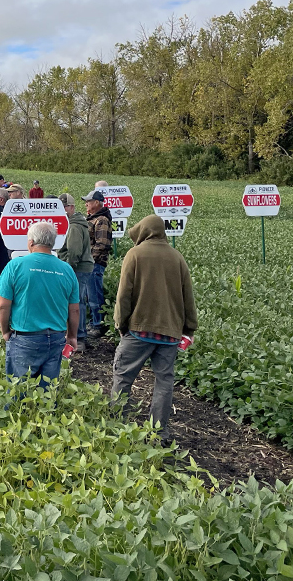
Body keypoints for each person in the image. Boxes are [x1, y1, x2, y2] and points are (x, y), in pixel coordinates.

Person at [112, 215, 198, 440]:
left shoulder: (135, 254)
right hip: (169, 334)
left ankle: (117, 425)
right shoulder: (177, 257)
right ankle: (159, 431)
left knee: (123, 376)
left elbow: (124, 295)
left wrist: (121, 324)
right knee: (164, 381)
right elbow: (188, 297)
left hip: (139, 330)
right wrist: (189, 329)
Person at [0, 221, 79, 392]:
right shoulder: (67, 270)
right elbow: (74, 309)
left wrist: (5, 331)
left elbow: (3, 306)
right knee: (47, 392)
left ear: (31, 242)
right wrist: (72, 336)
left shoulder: (15, 266)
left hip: (24, 338)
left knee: (18, 391)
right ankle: (47, 417)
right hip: (56, 338)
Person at [57, 193, 94, 352]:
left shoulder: (74, 225)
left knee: (76, 302)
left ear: (71, 207)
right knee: (78, 301)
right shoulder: (74, 222)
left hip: (77, 268)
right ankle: (79, 335)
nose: (63, 210)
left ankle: (78, 338)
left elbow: (74, 251)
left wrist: (68, 268)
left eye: (65, 207)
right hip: (81, 267)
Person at [84, 189, 113, 338]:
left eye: (88, 201)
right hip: (91, 263)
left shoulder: (101, 220)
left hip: (95, 264)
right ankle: (94, 323)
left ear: (97, 203)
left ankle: (98, 325)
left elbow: (102, 244)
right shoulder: (93, 218)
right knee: (90, 296)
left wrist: (89, 260)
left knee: (94, 296)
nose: (86, 204)